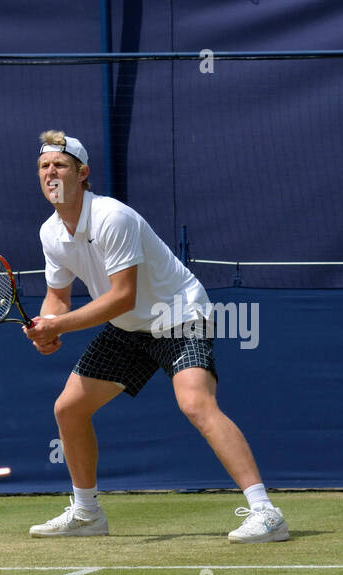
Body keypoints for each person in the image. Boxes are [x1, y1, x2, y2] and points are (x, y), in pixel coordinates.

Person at [22, 130, 288, 543]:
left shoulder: (113, 217)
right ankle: (87, 513)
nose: (50, 173)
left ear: (82, 173)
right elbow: (57, 297)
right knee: (68, 409)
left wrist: (61, 325)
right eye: (43, 166)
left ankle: (266, 513)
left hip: (178, 314)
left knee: (195, 403)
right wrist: (46, 326)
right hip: (129, 327)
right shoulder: (50, 233)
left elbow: (123, 296)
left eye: (59, 165)